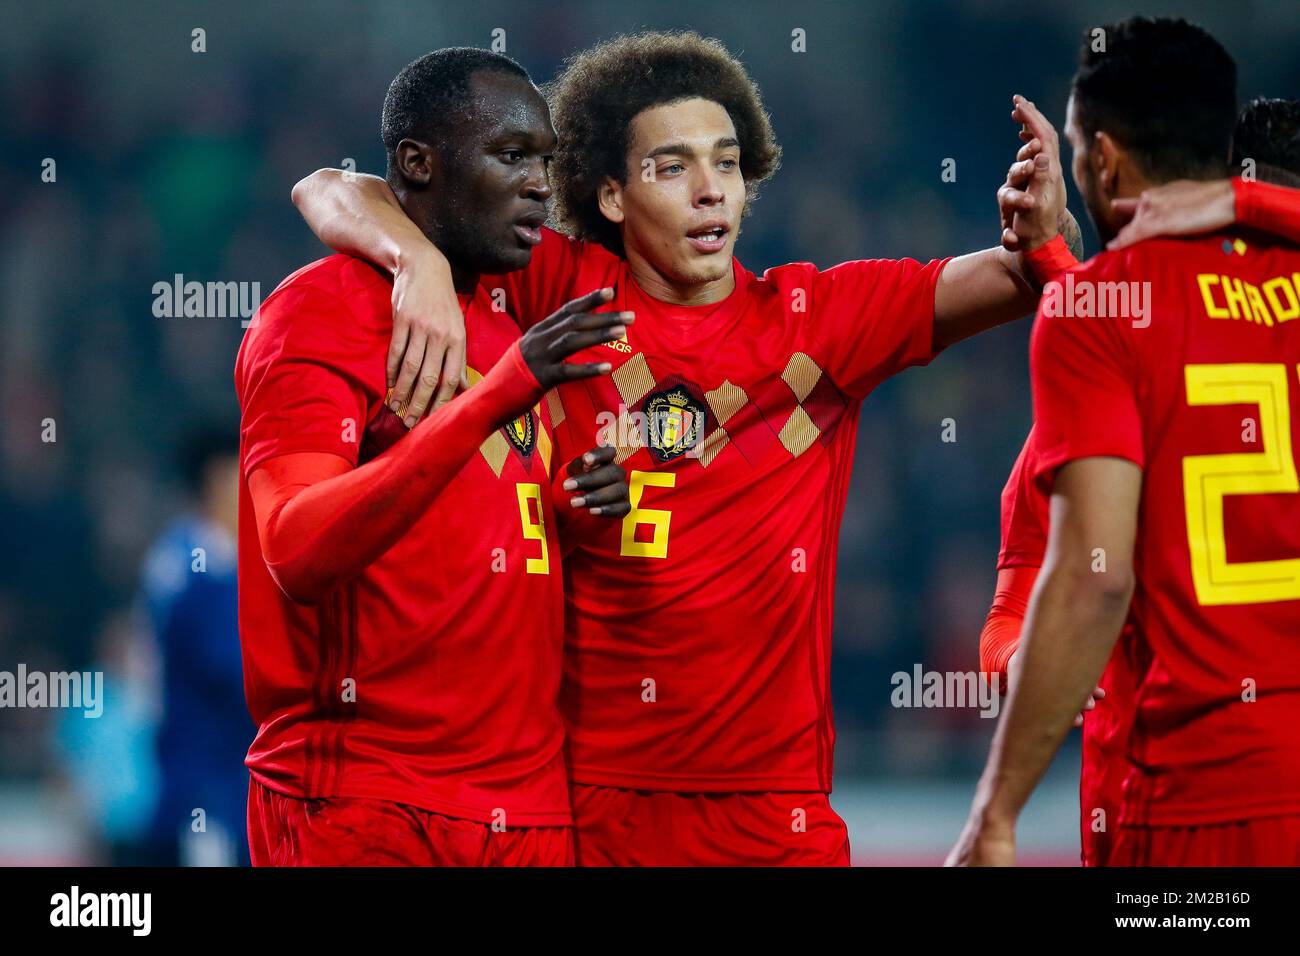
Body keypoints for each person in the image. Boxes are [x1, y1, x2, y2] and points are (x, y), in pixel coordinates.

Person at [293, 31, 1077, 865]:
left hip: (778, 817)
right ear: (612, 196)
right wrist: (411, 257)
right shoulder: (556, 285)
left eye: (728, 163)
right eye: (672, 168)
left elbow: (1028, 277)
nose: (711, 192)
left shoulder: (823, 322)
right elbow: (329, 187)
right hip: (592, 811)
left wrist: (1045, 230)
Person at [235, 48, 628, 866]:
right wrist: (499, 390)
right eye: (512, 155)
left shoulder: (506, 316)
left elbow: (469, 534)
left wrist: (573, 514)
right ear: (418, 163)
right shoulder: (319, 309)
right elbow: (297, 550)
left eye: (546, 163)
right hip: (369, 802)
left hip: (528, 814)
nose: (539, 186)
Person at [950, 17, 1300, 867]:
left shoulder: (1094, 323)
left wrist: (996, 815)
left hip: (1188, 797)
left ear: (1101, 159)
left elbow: (1091, 581)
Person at [141, 423, 251, 865]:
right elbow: (231, 668)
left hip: (232, 782)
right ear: (214, 480)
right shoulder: (190, 569)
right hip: (204, 788)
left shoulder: (216, 558)